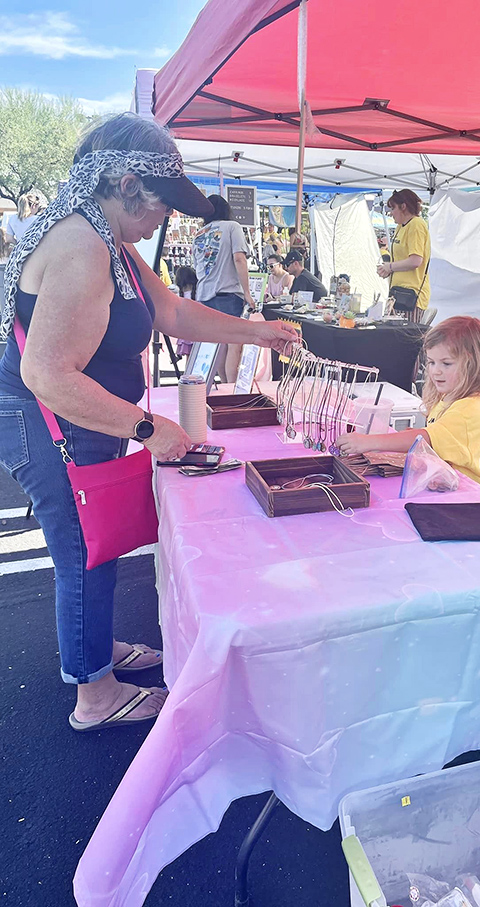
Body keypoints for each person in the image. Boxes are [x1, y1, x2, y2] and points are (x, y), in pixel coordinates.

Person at [0, 112, 296, 732]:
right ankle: (94, 695)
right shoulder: (82, 247)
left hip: (79, 418)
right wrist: (146, 427)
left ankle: (94, 651)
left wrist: (260, 331)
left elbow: (176, 314)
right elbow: (48, 375)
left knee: (96, 545)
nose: (169, 215)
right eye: (163, 201)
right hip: (51, 421)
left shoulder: (115, 243)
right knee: (85, 552)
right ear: (127, 182)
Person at [336, 316, 480, 488]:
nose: (436, 371)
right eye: (431, 362)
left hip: (468, 498)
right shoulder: (451, 398)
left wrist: (367, 441)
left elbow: (427, 438)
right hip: (448, 487)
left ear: (472, 364)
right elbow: (442, 438)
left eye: (446, 363)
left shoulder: (468, 409)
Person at [192, 194, 257, 383]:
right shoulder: (232, 227)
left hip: (204, 296)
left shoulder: (199, 234)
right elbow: (239, 258)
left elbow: (197, 267)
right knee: (234, 344)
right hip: (228, 294)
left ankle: (223, 385)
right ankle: (231, 389)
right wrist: (247, 292)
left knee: (217, 344)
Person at [377, 189, 431, 324]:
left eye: (393, 208)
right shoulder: (400, 226)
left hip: (411, 297)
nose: (390, 213)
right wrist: (387, 269)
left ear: (403, 206)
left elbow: (415, 260)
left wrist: (390, 267)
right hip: (397, 294)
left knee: (406, 339)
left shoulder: (416, 225)